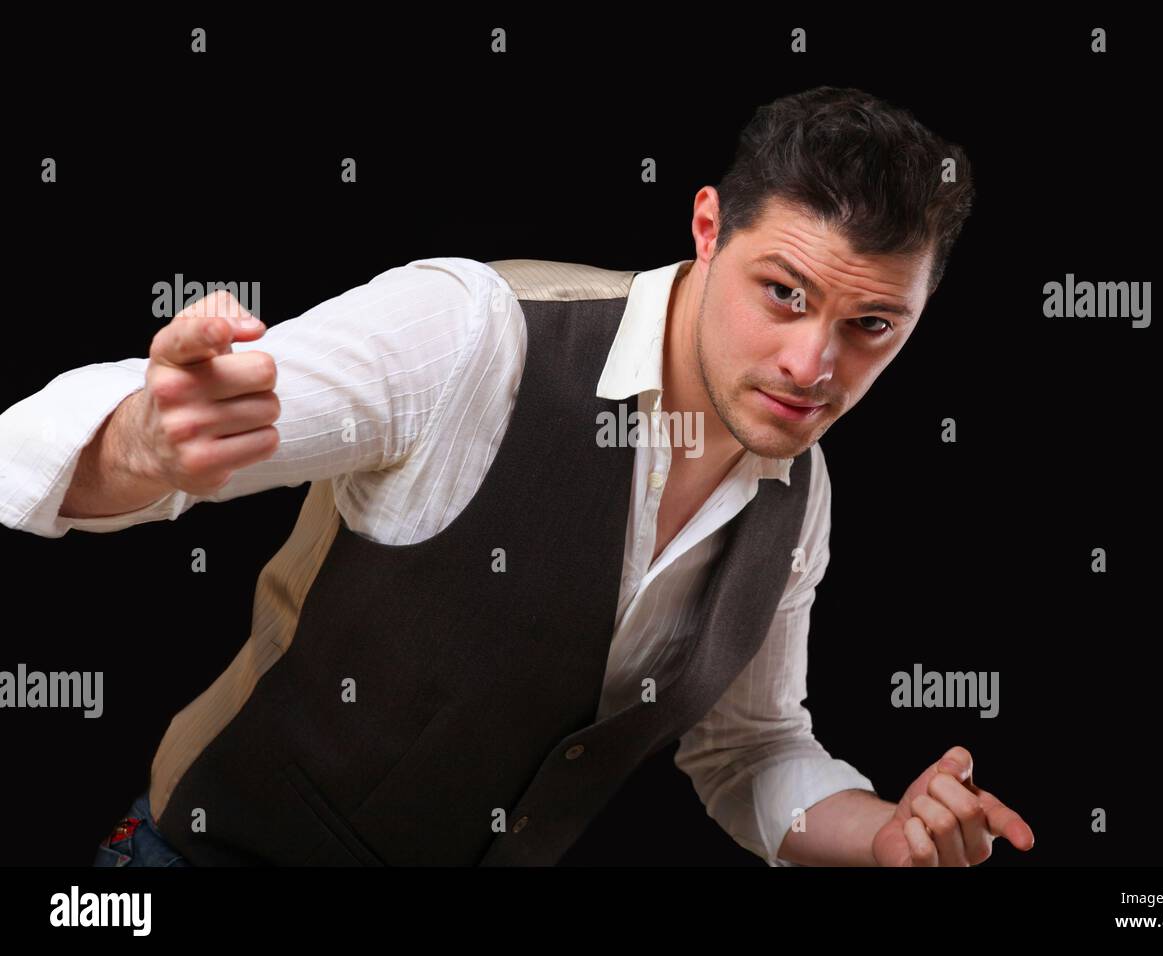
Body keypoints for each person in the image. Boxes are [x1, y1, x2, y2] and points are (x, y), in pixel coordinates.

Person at [1, 86, 1032, 867]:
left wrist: (881, 833)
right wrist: (138, 444)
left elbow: (751, 746)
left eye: (870, 328)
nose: (813, 366)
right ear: (708, 228)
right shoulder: (475, 337)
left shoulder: (800, 499)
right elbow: (52, 444)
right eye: (783, 292)